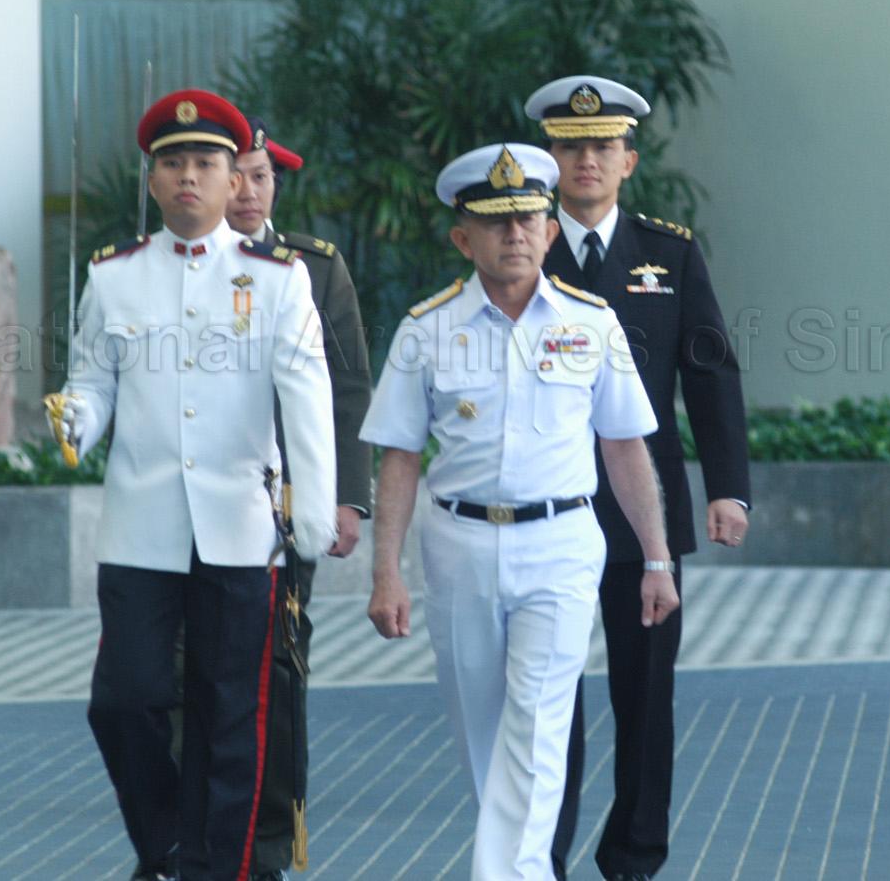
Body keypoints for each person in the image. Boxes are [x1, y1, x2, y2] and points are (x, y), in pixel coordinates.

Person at [360, 142, 679, 881]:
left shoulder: (591, 321)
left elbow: (626, 447)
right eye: (495, 222)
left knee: (537, 723)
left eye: (529, 218)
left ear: (548, 228)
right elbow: (400, 455)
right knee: (484, 734)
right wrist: (387, 573)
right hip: (461, 545)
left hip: (562, 543)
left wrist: (657, 556)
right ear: (462, 236)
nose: (516, 235)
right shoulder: (425, 329)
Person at [49, 88, 337, 881]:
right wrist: (76, 418)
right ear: (152, 179)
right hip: (141, 528)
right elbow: (93, 381)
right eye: (172, 162)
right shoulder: (114, 276)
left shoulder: (277, 279)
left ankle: (226, 866)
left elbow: (309, 399)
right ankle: (170, 842)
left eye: (205, 163)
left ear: (231, 175)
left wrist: (313, 512)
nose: (188, 177)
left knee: (230, 714)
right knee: (125, 699)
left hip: (241, 526)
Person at [524, 75, 751, 881]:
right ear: (550, 159)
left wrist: (728, 486)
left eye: (601, 146)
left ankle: (634, 856)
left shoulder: (669, 252)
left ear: (629, 159)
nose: (586, 159)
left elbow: (711, 374)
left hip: (640, 515)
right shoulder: (522, 245)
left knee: (646, 694)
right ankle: (538, 854)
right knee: (548, 696)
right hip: (543, 509)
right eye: (570, 146)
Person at [225, 116, 372, 879]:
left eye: (262, 176)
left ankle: (272, 840)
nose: (249, 192)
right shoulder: (174, 266)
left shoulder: (314, 266)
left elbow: (349, 387)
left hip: (285, 511)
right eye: (237, 174)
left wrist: (346, 497)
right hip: (196, 507)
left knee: (276, 672)